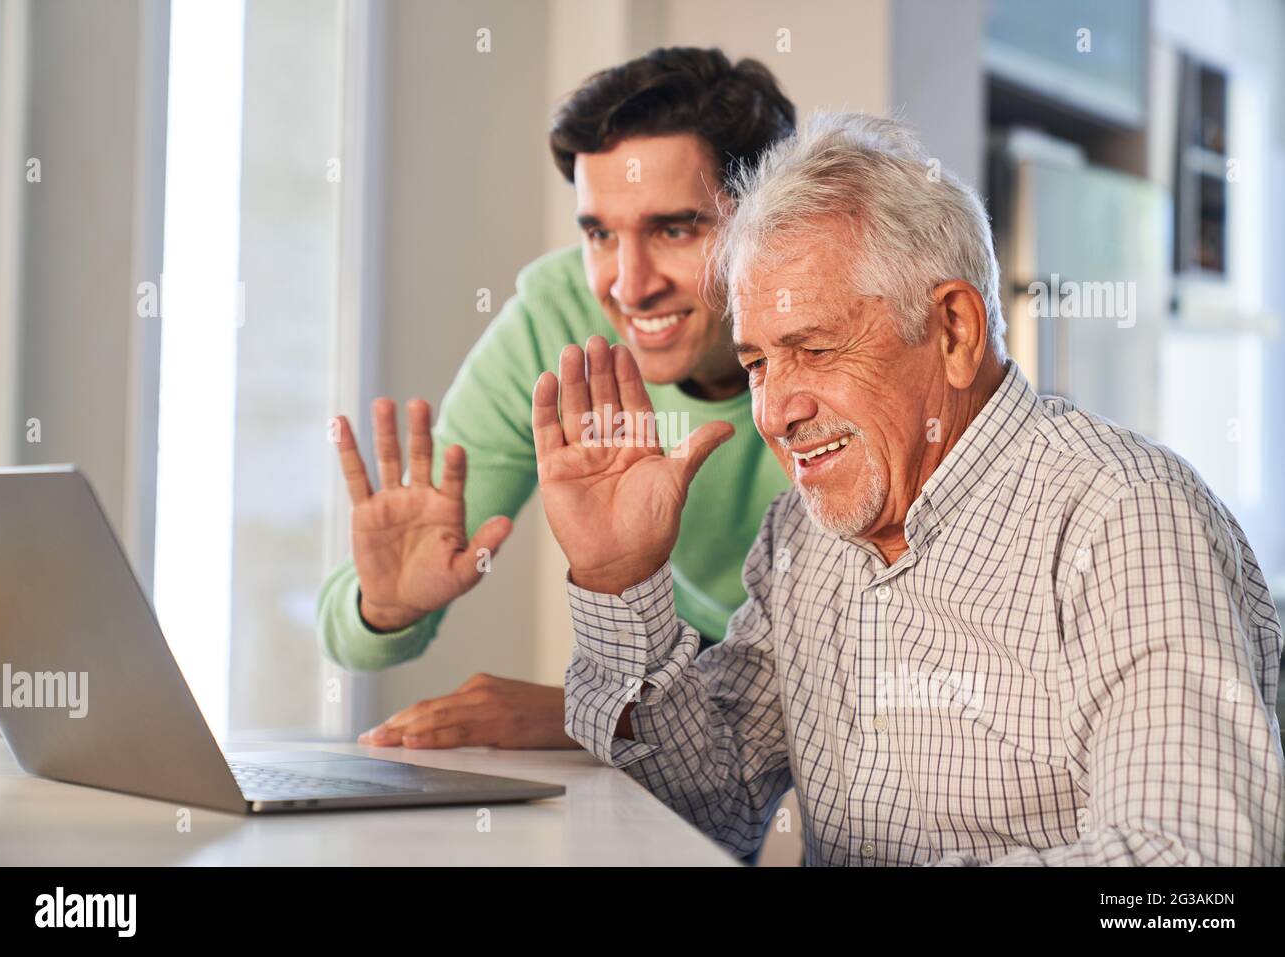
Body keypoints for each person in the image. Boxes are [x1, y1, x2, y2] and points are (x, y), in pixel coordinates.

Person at [541, 112, 1285, 864]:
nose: (775, 412)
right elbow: (709, 803)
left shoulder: (1123, 519)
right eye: (759, 362)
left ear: (955, 330)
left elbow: (1196, 876)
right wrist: (620, 577)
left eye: (815, 348)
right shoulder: (801, 535)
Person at [317, 48, 795, 749]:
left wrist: (593, 715)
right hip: (681, 694)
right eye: (600, 233)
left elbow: (871, 667)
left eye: (674, 228)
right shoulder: (555, 317)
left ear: (771, 222)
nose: (629, 287)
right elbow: (354, 640)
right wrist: (382, 605)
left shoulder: (837, 335)